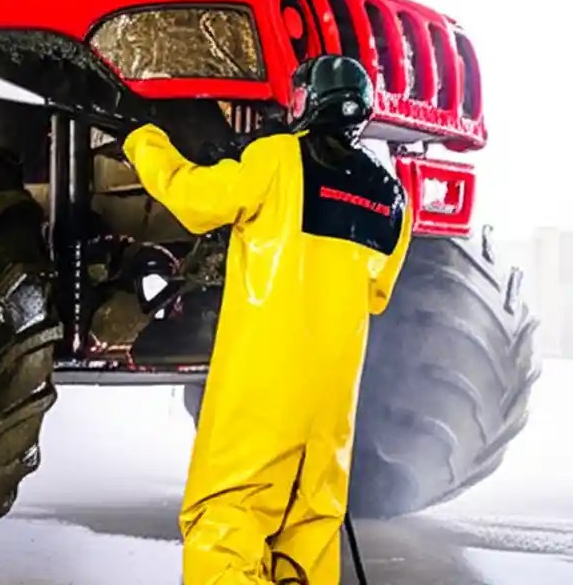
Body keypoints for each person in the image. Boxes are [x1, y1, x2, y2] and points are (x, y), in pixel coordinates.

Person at [123, 55, 412, 585]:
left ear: (311, 101)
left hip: (265, 390)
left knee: (226, 520)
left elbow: (195, 201)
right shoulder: (392, 196)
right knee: (309, 532)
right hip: (331, 408)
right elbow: (376, 294)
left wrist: (144, 141)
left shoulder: (279, 158)